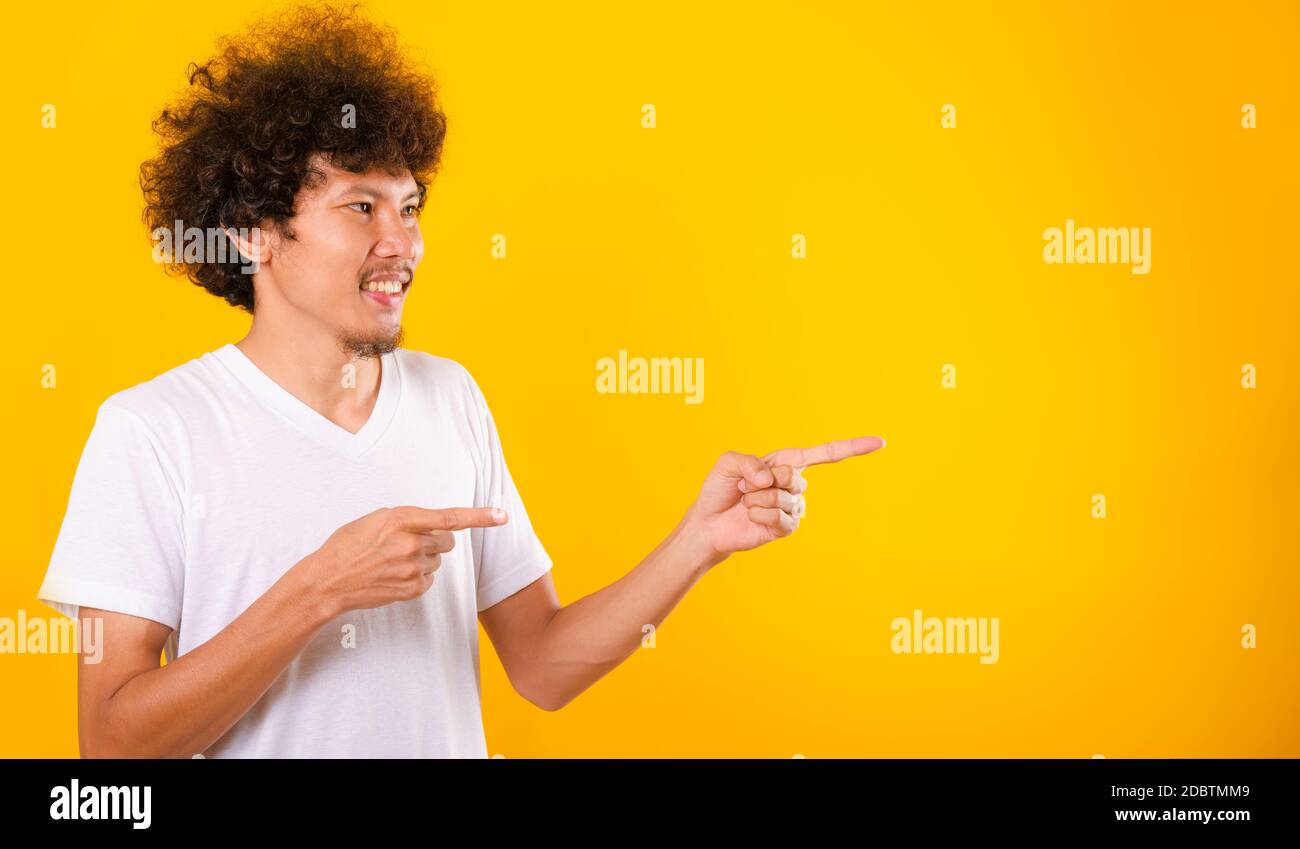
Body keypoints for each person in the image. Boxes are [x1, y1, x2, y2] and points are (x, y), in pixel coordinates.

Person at [37, 3, 885, 758]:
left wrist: (698, 541)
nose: (400, 244)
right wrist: (319, 587)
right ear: (255, 235)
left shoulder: (450, 399)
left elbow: (544, 665)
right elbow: (110, 743)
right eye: (360, 207)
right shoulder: (152, 430)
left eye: (410, 207)